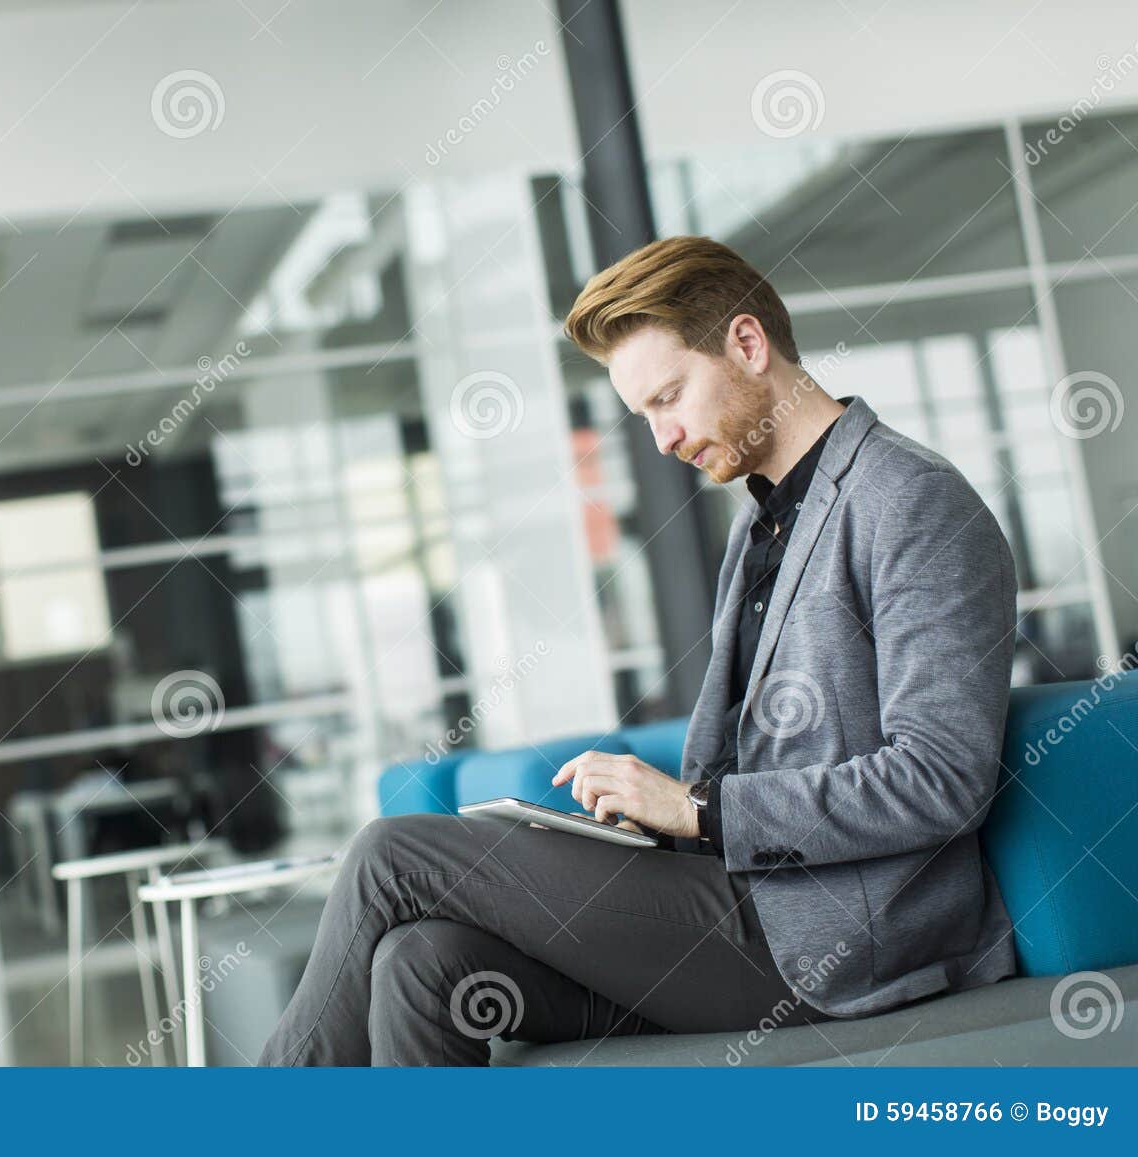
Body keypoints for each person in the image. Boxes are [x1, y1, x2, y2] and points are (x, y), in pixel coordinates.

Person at [258, 236, 1018, 1066]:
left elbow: (942, 779)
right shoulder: (763, 518)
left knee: (388, 855)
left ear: (748, 344)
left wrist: (696, 809)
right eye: (645, 413)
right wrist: (647, 827)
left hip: (835, 934)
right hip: (732, 895)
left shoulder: (910, 498)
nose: (662, 438)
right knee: (423, 964)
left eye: (668, 397)